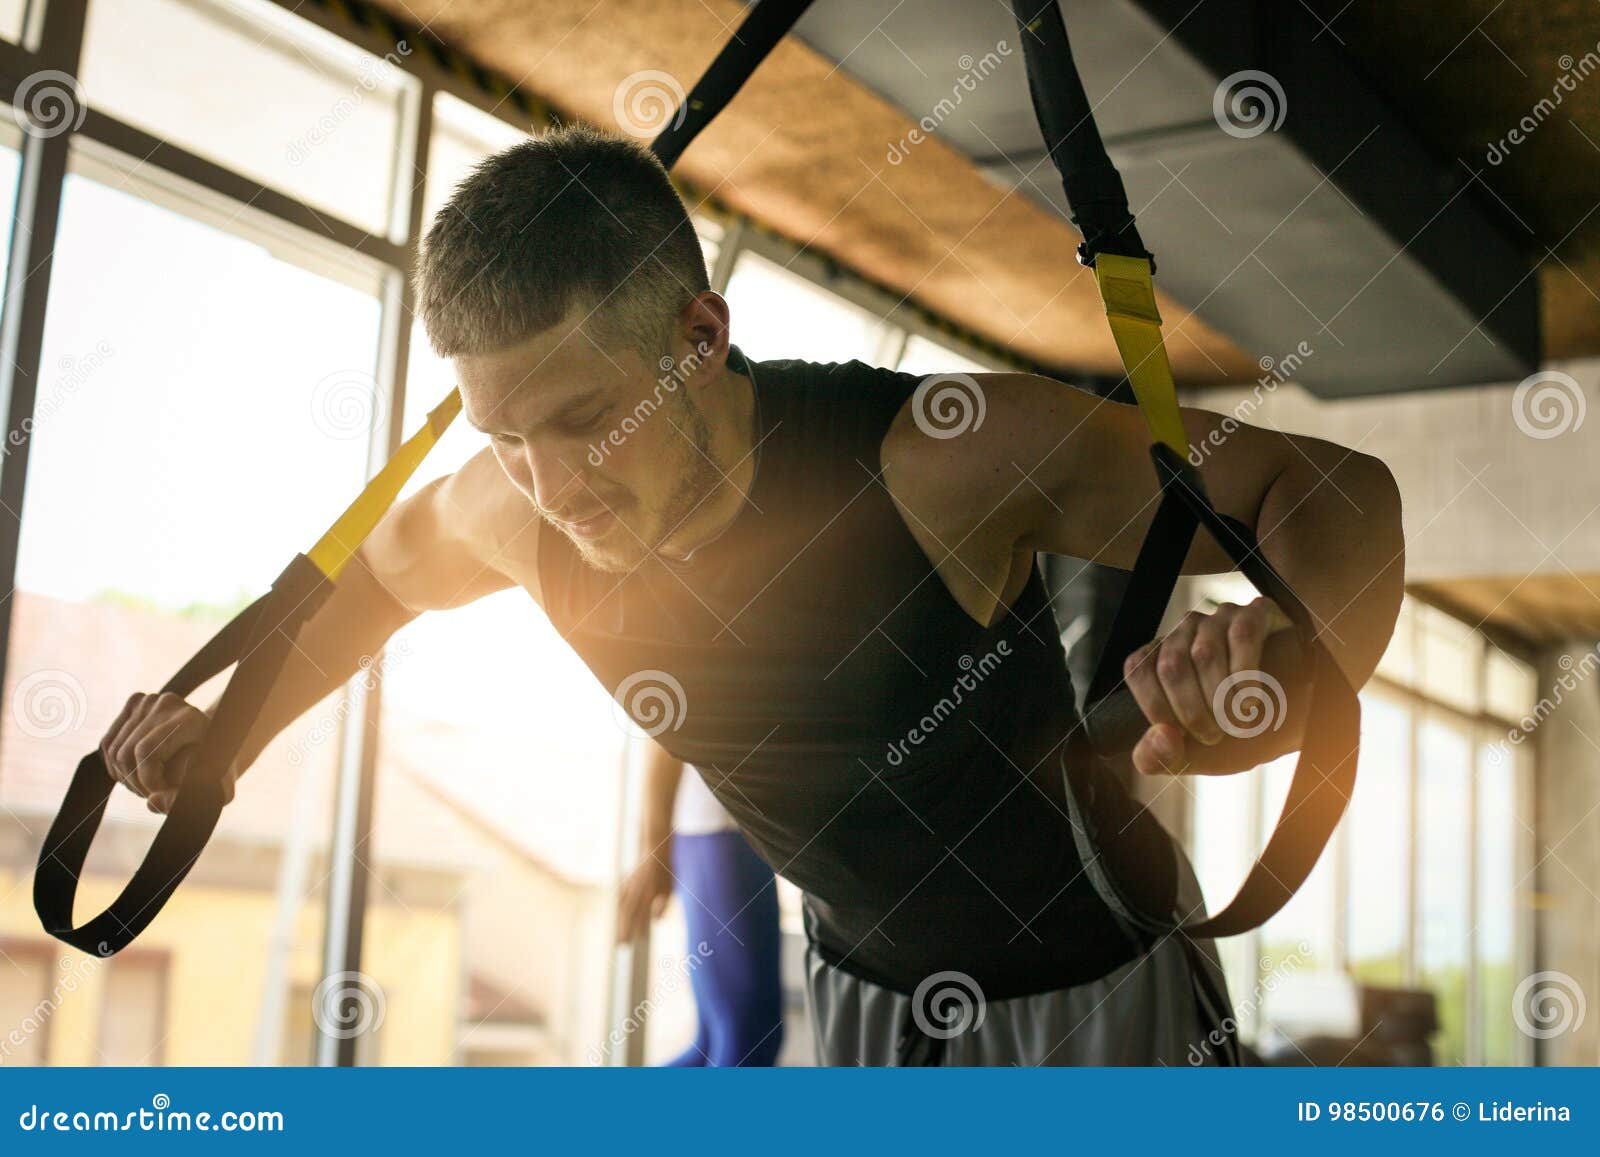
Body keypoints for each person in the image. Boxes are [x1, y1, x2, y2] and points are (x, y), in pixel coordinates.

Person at [97, 124, 1404, 1066]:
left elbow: (1337, 496)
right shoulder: (515, 514)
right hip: (862, 997)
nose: (553, 485)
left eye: (588, 418)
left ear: (700, 339)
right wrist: (228, 742)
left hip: (1092, 989)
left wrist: (1282, 686)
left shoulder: (933, 459)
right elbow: (371, 583)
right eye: (505, 435)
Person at [614, 743, 784, 1066]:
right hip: (722, 827)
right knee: (749, 1040)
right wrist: (652, 845)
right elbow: (662, 731)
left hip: (726, 829)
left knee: (720, 1040)